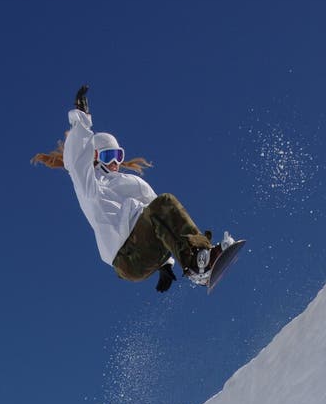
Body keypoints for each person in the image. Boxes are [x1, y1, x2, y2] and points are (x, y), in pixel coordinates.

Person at [31, 85, 234, 292]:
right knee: (164, 202)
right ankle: (199, 266)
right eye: (108, 156)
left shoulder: (132, 182)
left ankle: (202, 258)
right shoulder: (89, 184)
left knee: (163, 204)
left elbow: (164, 221)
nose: (115, 163)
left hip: (144, 250)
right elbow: (76, 161)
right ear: (94, 156)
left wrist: (166, 265)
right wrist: (82, 118)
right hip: (126, 256)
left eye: (118, 156)